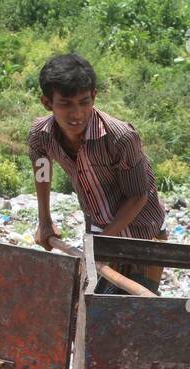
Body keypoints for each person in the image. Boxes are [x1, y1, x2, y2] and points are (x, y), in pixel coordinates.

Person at [28, 53, 166, 293]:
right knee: (87, 310)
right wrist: (45, 221)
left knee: (130, 313)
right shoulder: (41, 134)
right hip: (98, 229)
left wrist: (99, 244)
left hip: (141, 238)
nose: (77, 114)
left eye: (84, 102)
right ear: (47, 103)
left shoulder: (120, 138)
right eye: (66, 104)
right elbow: (42, 170)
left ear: (94, 96)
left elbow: (138, 197)